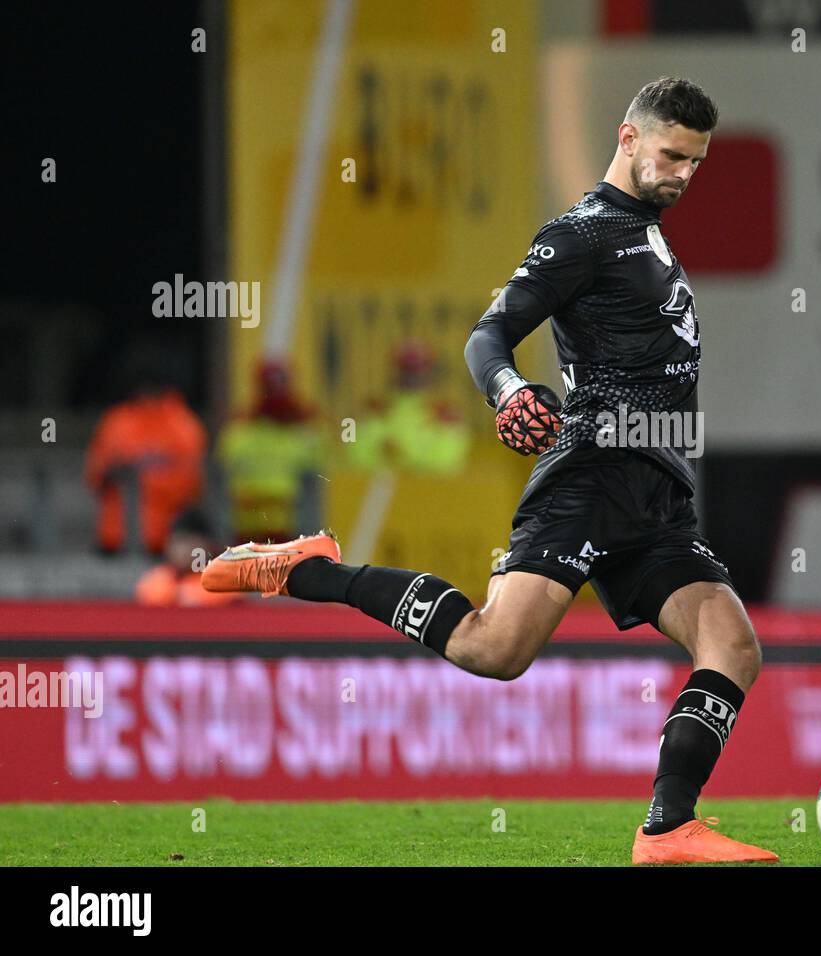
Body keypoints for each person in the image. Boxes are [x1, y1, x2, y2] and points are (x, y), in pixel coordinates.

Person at [201, 77, 773, 864]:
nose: (682, 173)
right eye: (672, 155)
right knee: (492, 650)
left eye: (696, 162)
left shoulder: (648, 231)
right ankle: (311, 570)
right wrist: (508, 391)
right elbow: (488, 335)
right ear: (629, 138)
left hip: (657, 489)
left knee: (734, 646)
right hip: (595, 471)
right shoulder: (582, 233)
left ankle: (668, 830)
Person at [85, 367, 206, 555]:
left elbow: (191, 484)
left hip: (166, 542)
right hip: (116, 539)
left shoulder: (182, 425)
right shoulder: (118, 421)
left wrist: (141, 473)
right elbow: (96, 474)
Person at [216, 361, 322, 542]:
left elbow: (317, 484)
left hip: (287, 532)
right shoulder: (239, 431)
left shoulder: (302, 431)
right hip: (247, 532)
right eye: (272, 386)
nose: (277, 394)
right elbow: (220, 483)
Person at [344, 343, 470, 474]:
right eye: (406, 369)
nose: (412, 375)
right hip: (381, 470)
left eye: (417, 368)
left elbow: (448, 461)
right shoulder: (374, 412)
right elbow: (352, 450)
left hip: (427, 476)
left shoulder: (446, 415)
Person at [134, 509, 243, 607]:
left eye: (187, 542)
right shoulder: (155, 580)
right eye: (176, 542)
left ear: (207, 545)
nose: (180, 550)